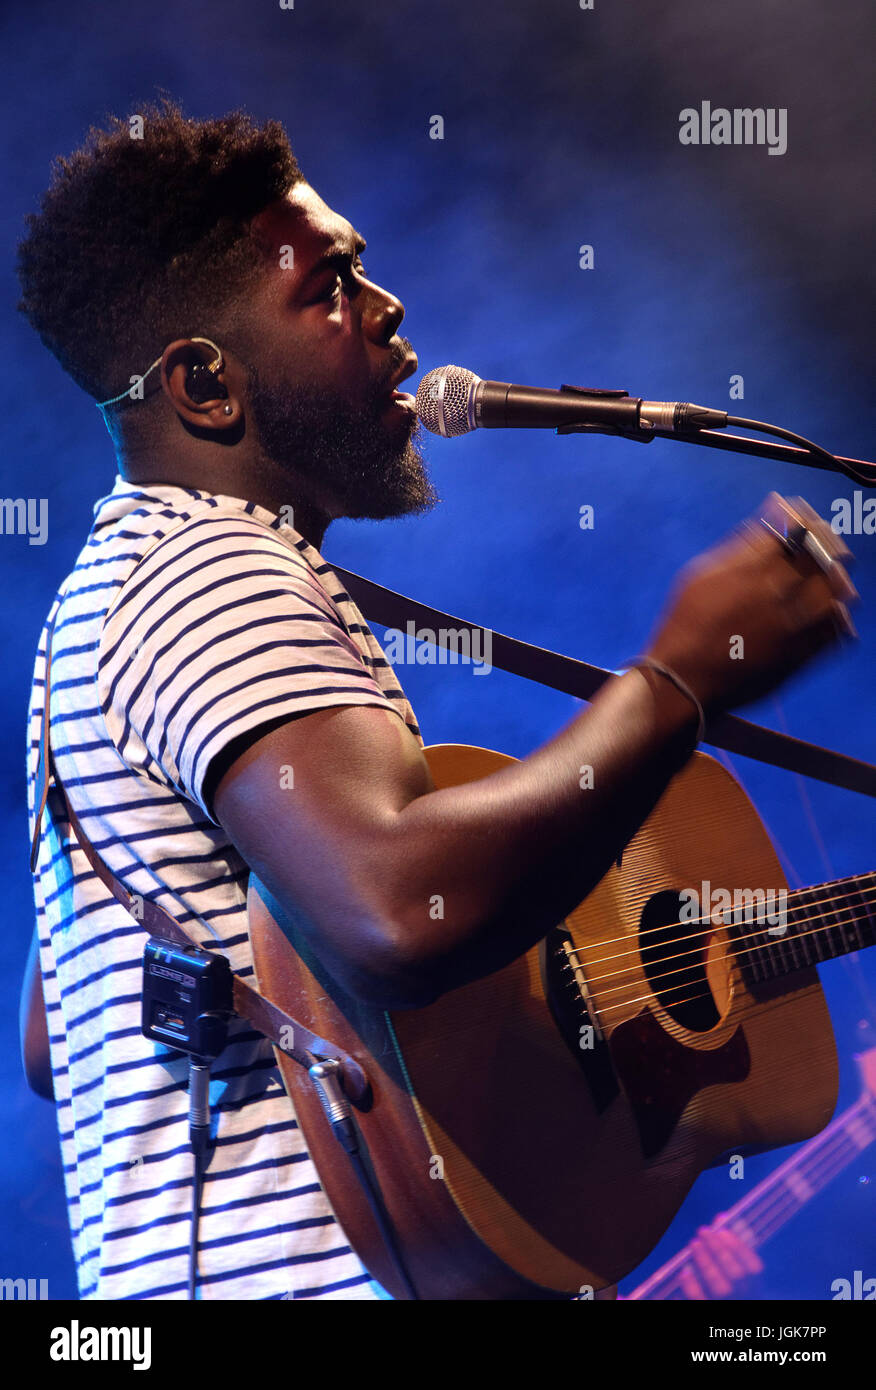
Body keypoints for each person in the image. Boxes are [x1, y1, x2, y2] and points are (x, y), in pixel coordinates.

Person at [17, 98, 857, 1300]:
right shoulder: (211, 567)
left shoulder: (121, 585)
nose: (387, 306)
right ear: (205, 385)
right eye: (333, 284)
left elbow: (62, 1038)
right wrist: (677, 684)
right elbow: (401, 910)